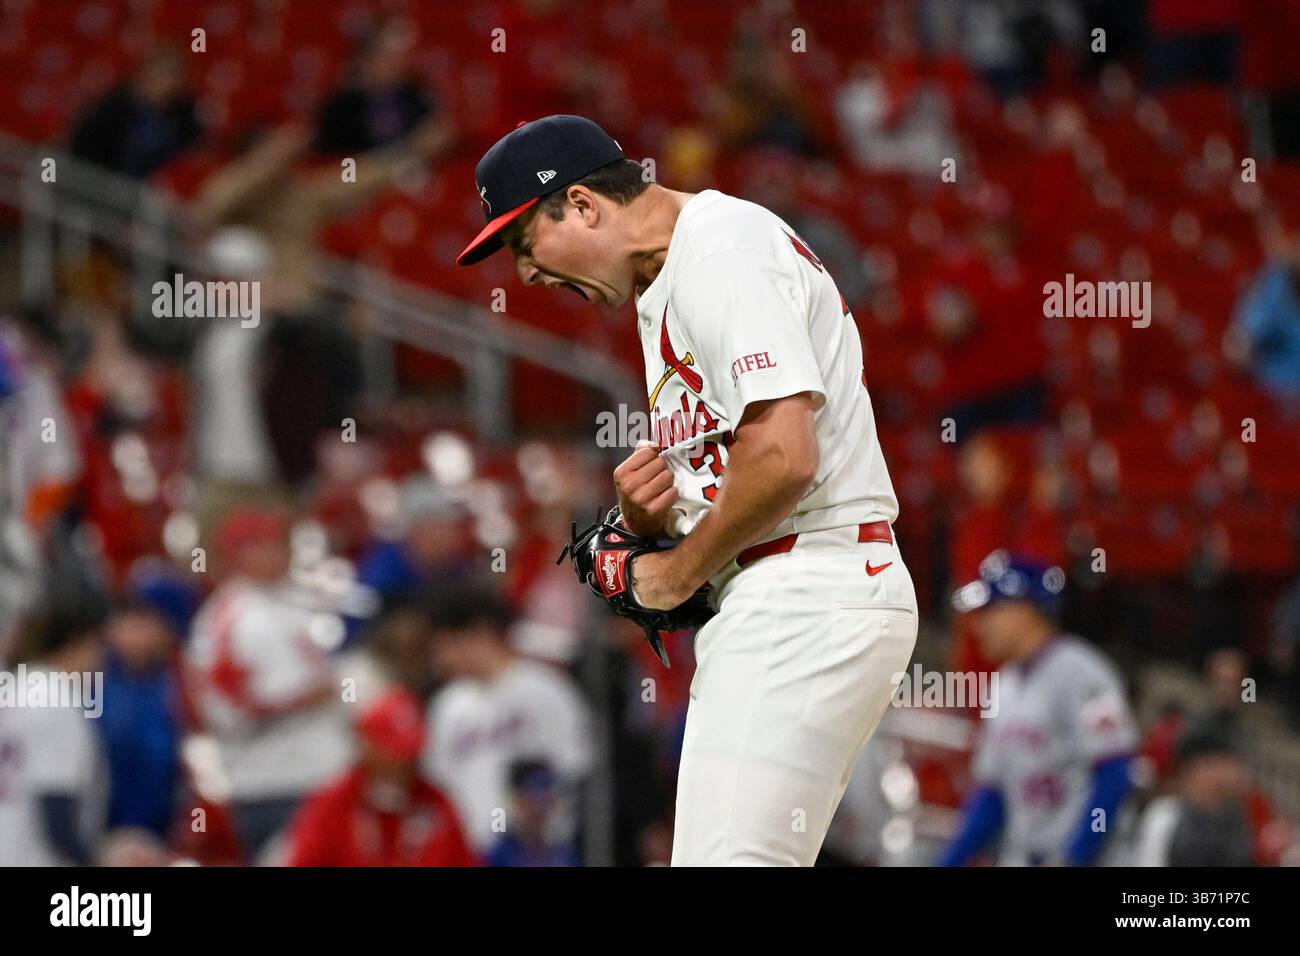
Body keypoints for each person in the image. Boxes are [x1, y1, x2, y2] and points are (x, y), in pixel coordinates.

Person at [456, 115, 918, 865]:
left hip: (808, 581)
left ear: (581, 204)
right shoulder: (665, 279)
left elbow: (783, 456)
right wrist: (655, 516)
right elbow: (754, 462)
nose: (526, 274)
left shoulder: (720, 246)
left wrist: (672, 573)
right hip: (788, 585)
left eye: (521, 242)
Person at [938, 552, 1138, 866]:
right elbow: (992, 794)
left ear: (1025, 610)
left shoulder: (1085, 673)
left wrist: (1077, 855)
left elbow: (1114, 772)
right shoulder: (1002, 685)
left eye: (990, 611)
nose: (978, 626)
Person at [185, 507, 351, 860]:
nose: (277, 554)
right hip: (272, 785)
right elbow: (222, 711)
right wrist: (301, 699)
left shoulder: (296, 601)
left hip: (324, 776)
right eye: (263, 546)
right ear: (238, 554)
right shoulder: (225, 617)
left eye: (278, 544)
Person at [421, 582, 592, 856]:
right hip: (468, 852)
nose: (441, 658)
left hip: (538, 852)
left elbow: (574, 770)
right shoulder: (446, 706)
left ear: (480, 632)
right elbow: (437, 786)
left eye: (446, 644)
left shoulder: (546, 689)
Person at [288, 689, 475, 867]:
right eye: (394, 749)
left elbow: (465, 861)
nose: (405, 761)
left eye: (411, 750)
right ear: (366, 745)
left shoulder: (437, 802)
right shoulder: (332, 803)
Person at [0, 608, 108, 866]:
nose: (101, 662)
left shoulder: (16, 686)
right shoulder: (56, 699)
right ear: (75, 643)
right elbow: (55, 810)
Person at [485, 760, 580, 867]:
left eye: (548, 800)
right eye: (532, 798)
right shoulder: (498, 856)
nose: (540, 809)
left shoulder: (565, 855)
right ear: (515, 798)